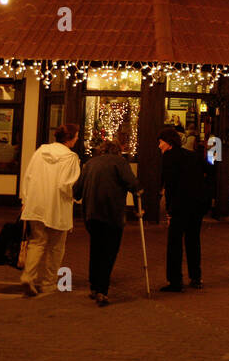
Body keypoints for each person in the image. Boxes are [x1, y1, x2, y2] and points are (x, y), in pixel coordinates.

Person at [73, 139, 141, 306]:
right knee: (109, 252)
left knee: (96, 249)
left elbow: (77, 192)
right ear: (117, 151)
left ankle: (94, 286)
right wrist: (139, 200)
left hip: (91, 214)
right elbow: (133, 184)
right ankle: (102, 290)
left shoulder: (90, 163)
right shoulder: (120, 162)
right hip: (112, 214)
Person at [18, 123, 81, 297]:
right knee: (56, 247)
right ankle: (48, 283)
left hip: (36, 204)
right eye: (76, 136)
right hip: (57, 207)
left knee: (37, 242)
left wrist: (25, 199)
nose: (77, 139)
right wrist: (77, 197)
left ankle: (28, 276)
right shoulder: (70, 157)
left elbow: (28, 176)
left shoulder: (40, 152)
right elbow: (66, 185)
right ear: (69, 139)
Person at [157, 126, 207, 292]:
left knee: (175, 243)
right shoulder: (193, 156)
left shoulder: (169, 158)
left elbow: (170, 185)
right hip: (196, 205)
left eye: (161, 142)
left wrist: (169, 211)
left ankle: (175, 280)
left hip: (180, 206)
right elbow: (204, 176)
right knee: (193, 241)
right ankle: (196, 277)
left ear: (169, 143)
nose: (159, 146)